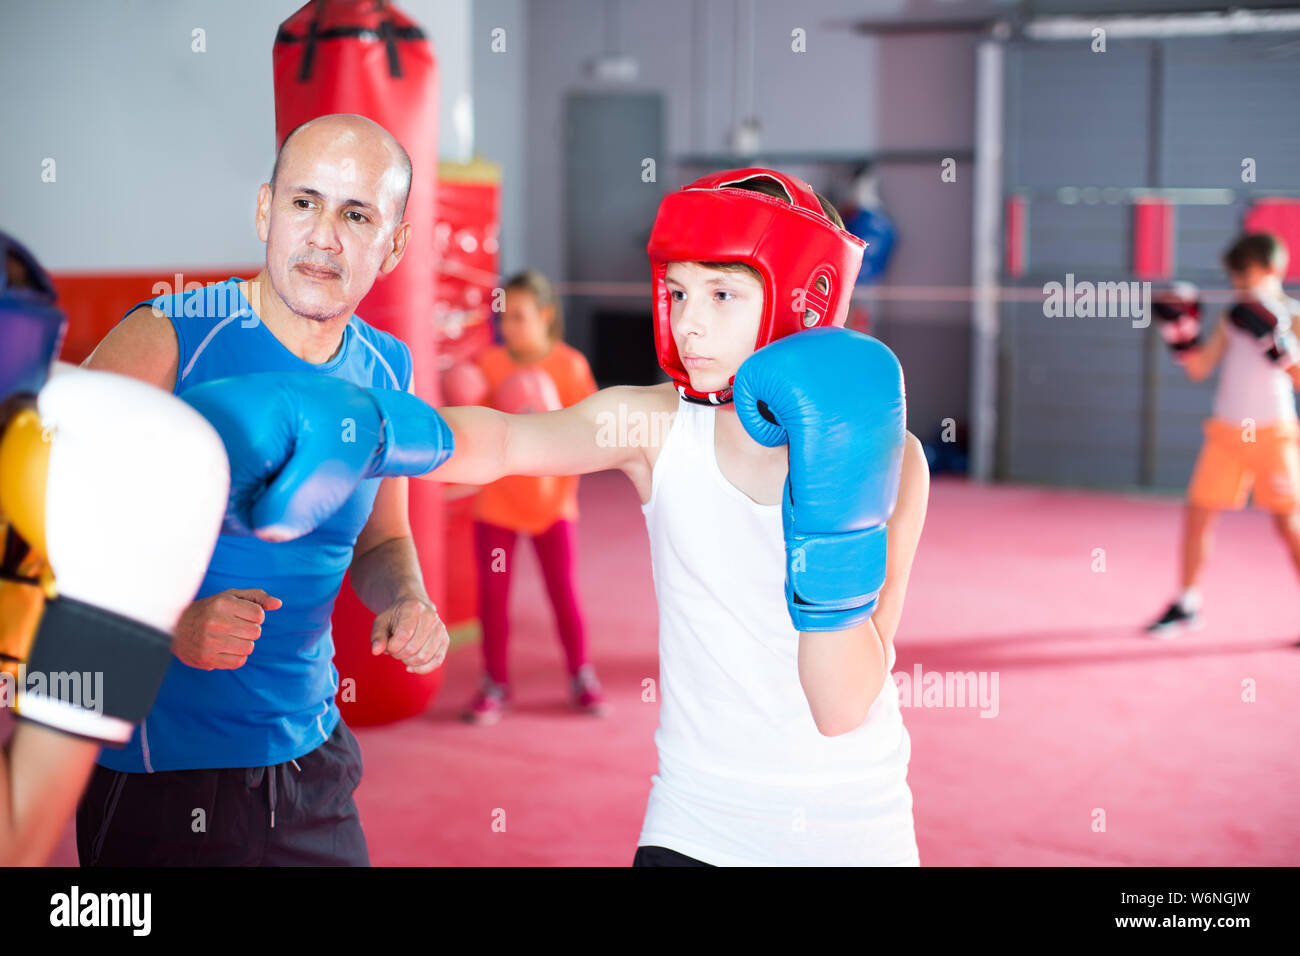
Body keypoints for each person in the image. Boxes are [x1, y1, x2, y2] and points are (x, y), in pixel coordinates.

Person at [431, 169, 930, 865]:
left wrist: (834, 499)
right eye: (677, 291)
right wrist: (364, 431)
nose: (687, 321)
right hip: (696, 816)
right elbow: (510, 440)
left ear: (806, 298)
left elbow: (839, 704)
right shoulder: (656, 425)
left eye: (722, 293)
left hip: (853, 820)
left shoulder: (891, 457)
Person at [74, 113, 451, 866]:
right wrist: (166, 625)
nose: (323, 237)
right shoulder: (171, 338)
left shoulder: (388, 369)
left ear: (396, 243)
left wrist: (408, 596)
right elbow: (36, 525)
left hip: (311, 766)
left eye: (356, 214)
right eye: (304, 203)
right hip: (158, 773)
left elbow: (381, 538)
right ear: (264, 211)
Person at [464, 269, 602, 724]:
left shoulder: (569, 366)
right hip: (499, 502)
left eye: (521, 316)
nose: (510, 326)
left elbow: (592, 436)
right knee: (494, 597)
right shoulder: (488, 365)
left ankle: (581, 675)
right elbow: (472, 435)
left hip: (552, 503)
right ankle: (495, 682)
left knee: (563, 592)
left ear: (545, 315)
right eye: (505, 316)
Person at [1148, 233, 1300, 636]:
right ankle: (1187, 603)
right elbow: (1200, 368)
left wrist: (1279, 346)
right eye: (1234, 277)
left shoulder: (1294, 314)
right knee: (1198, 515)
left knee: (1290, 526)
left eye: (1246, 275)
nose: (1239, 284)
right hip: (1228, 432)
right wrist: (1180, 334)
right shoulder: (1233, 316)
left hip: (1273, 433)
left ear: (1272, 270)